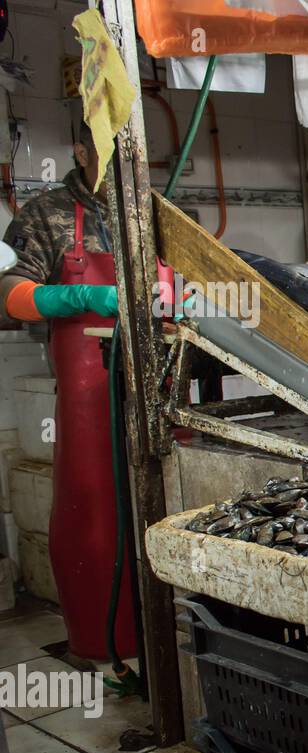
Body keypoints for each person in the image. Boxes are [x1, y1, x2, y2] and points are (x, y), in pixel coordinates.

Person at [0, 114, 138, 661]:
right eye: (107, 150)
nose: (120, 164)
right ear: (81, 152)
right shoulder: (47, 214)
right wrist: (74, 299)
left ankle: (158, 634)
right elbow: (8, 293)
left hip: (150, 389)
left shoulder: (145, 212)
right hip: (85, 398)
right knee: (92, 505)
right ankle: (99, 640)